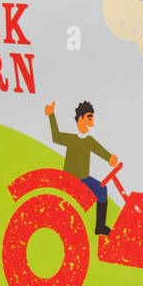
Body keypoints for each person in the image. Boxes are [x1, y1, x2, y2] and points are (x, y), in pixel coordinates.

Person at [44, 99, 117, 236]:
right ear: (81, 118)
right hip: (69, 179)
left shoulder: (89, 141)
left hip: (84, 179)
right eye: (89, 118)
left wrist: (110, 158)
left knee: (102, 190)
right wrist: (51, 115)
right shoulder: (71, 139)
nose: (92, 123)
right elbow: (56, 137)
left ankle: (99, 227)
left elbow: (100, 151)